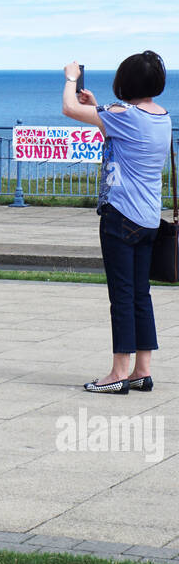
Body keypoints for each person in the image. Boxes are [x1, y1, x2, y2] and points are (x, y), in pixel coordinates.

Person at [62, 52, 172, 393]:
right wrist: (95, 104)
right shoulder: (162, 117)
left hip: (121, 216)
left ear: (126, 82)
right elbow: (113, 123)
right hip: (150, 218)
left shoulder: (125, 116)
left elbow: (69, 108)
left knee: (121, 295)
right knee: (141, 294)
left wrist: (70, 78)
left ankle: (118, 373)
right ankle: (142, 369)